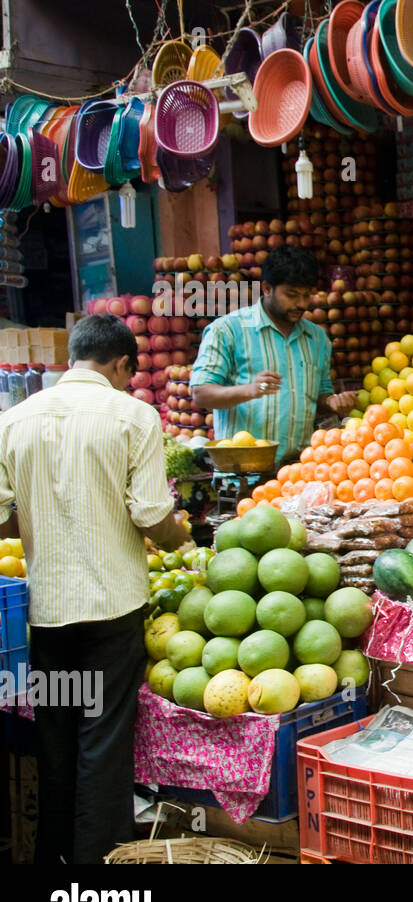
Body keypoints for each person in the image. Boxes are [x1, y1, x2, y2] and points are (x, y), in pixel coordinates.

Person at [0, 314, 190, 864]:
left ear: (76, 354)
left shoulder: (15, 418)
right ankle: (96, 873)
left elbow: (2, 518)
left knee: (55, 740)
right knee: (102, 743)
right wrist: (184, 539)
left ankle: (51, 859)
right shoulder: (132, 415)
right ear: (123, 364)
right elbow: (154, 515)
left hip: (49, 612)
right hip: (112, 609)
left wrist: (39, 515)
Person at [192, 246, 356, 463]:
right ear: (267, 288)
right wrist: (250, 390)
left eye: (307, 295)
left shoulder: (317, 339)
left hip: (299, 472)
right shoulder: (227, 331)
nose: (301, 304)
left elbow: (320, 395)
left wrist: (332, 402)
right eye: (292, 295)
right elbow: (201, 394)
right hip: (244, 472)